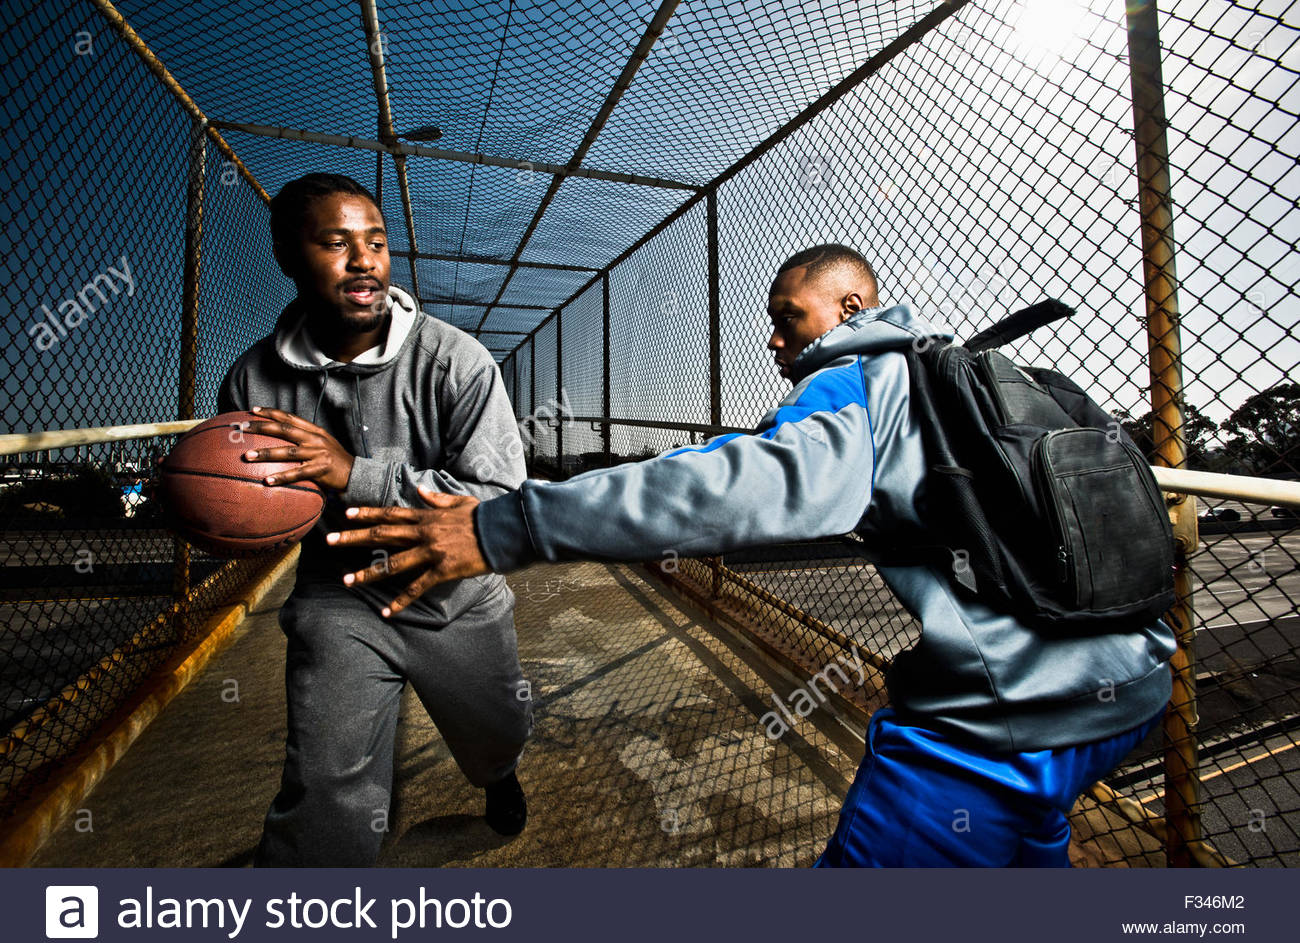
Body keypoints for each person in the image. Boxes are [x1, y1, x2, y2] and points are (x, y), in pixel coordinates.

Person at [328, 244, 1176, 867]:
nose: (774, 342)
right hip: (1128, 692)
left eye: (786, 318)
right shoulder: (975, 372)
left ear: (850, 311)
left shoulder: (858, 380)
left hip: (999, 728)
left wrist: (499, 526)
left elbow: (733, 487)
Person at [216, 172, 532, 866]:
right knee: (324, 790)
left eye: (377, 242)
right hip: (341, 598)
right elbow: (241, 499)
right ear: (290, 257)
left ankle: (498, 774)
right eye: (337, 243)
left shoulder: (455, 360)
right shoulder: (252, 382)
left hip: (456, 598)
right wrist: (218, 511)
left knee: (496, 732)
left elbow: (501, 498)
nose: (365, 260)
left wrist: (351, 472)